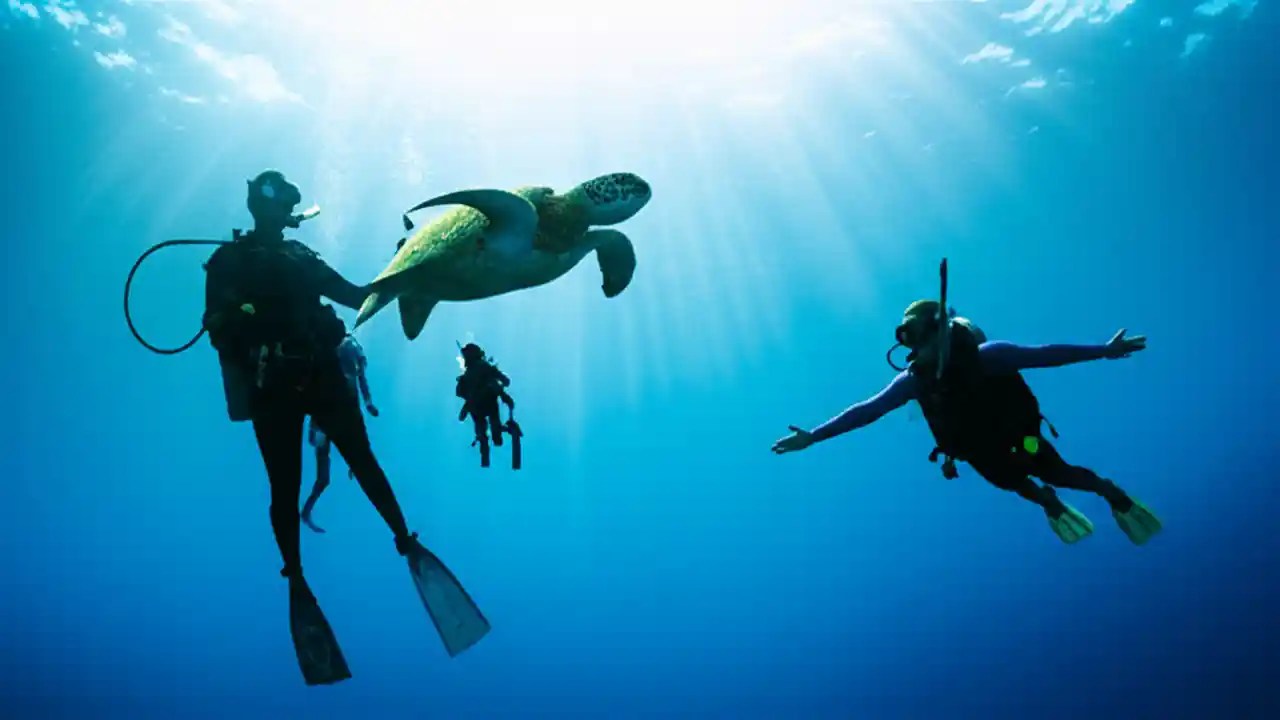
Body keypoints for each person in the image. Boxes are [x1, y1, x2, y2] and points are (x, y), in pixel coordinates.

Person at [202, 169, 489, 685]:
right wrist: (243, 324)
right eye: (267, 194)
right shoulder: (229, 261)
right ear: (253, 204)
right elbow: (216, 330)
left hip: (320, 376)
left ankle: (404, 538)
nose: (275, 204)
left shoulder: (302, 258)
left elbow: (360, 298)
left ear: (289, 206)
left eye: (282, 195)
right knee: (285, 487)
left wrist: (415, 266)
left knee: (362, 461)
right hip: (271, 385)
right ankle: (296, 575)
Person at [771, 297, 1162, 546]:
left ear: (940, 329)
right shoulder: (912, 381)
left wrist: (1104, 351)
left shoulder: (988, 356)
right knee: (1010, 481)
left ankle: (1107, 491)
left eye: (919, 334)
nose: (913, 346)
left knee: (1054, 470)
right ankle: (1047, 501)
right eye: (908, 339)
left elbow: (1046, 355)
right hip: (980, 454)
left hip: (1020, 439)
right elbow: (868, 410)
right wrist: (815, 437)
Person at [301, 331, 380, 534]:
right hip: (331, 412)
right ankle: (306, 512)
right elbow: (361, 378)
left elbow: (361, 378)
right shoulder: (344, 349)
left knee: (325, 476)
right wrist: (368, 402)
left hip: (335, 411)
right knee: (325, 476)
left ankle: (306, 512)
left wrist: (369, 402)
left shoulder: (345, 348)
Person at [456, 342, 516, 467]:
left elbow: (462, 393)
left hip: (476, 406)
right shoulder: (483, 367)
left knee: (483, 433)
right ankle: (495, 436)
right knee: (492, 431)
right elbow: (505, 380)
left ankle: (487, 448)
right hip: (485, 403)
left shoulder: (468, 374)